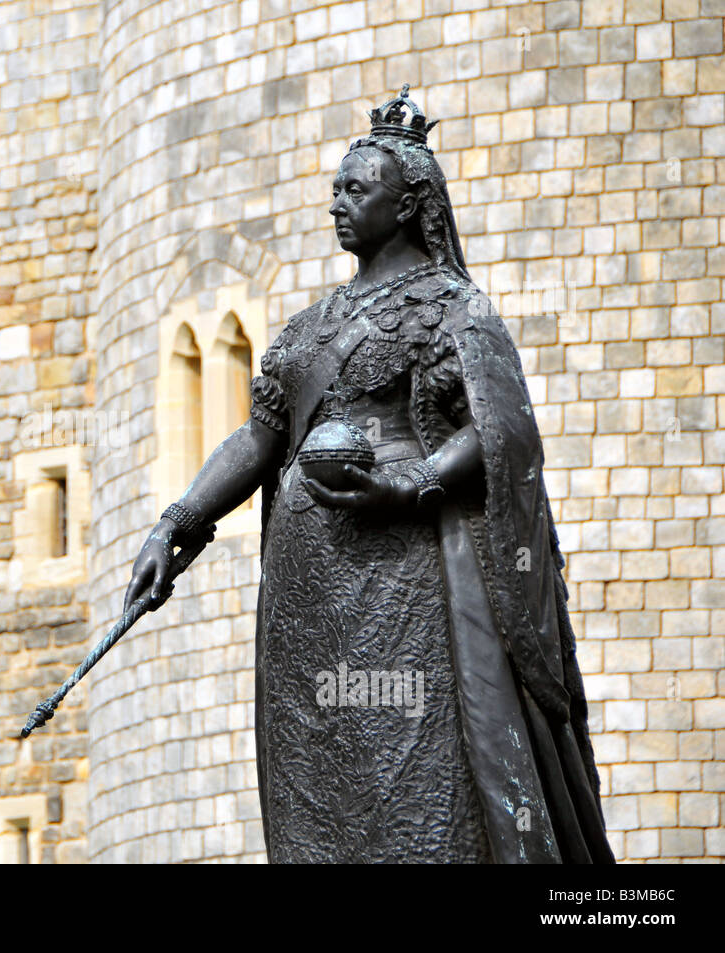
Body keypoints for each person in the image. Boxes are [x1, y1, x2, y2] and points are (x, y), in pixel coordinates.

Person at [124, 87, 615, 863]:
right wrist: (176, 523)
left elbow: (499, 431)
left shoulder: (455, 309)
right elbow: (260, 436)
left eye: (356, 189)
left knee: (413, 766)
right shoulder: (311, 324)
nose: (336, 206)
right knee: (319, 775)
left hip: (406, 585)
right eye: (334, 190)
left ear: (409, 201)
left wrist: (409, 480)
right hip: (307, 597)